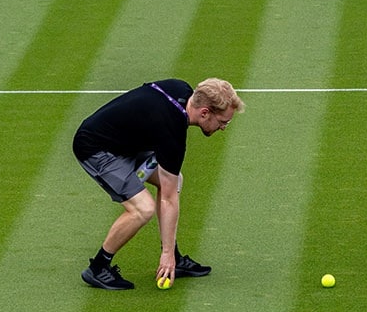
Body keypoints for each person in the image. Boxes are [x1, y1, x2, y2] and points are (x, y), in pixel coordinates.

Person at [72, 77, 244, 290]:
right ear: (205, 112)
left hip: (125, 143)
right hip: (96, 149)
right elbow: (169, 200)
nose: (224, 127)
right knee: (143, 209)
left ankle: (176, 257)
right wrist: (166, 256)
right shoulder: (172, 133)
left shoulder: (180, 89)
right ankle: (98, 267)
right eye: (223, 122)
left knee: (174, 179)